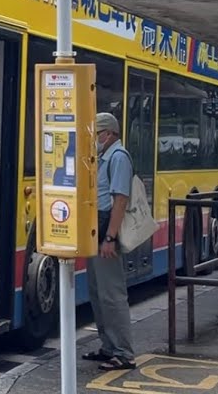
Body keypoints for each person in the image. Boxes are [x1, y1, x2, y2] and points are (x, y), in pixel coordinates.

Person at [83, 111, 138, 371]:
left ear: (109, 134)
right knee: (98, 292)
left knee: (112, 294)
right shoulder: (104, 157)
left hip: (107, 231)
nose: (95, 139)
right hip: (98, 229)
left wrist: (110, 237)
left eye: (98, 134)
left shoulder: (118, 157)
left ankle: (124, 353)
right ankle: (108, 346)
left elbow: (120, 200)